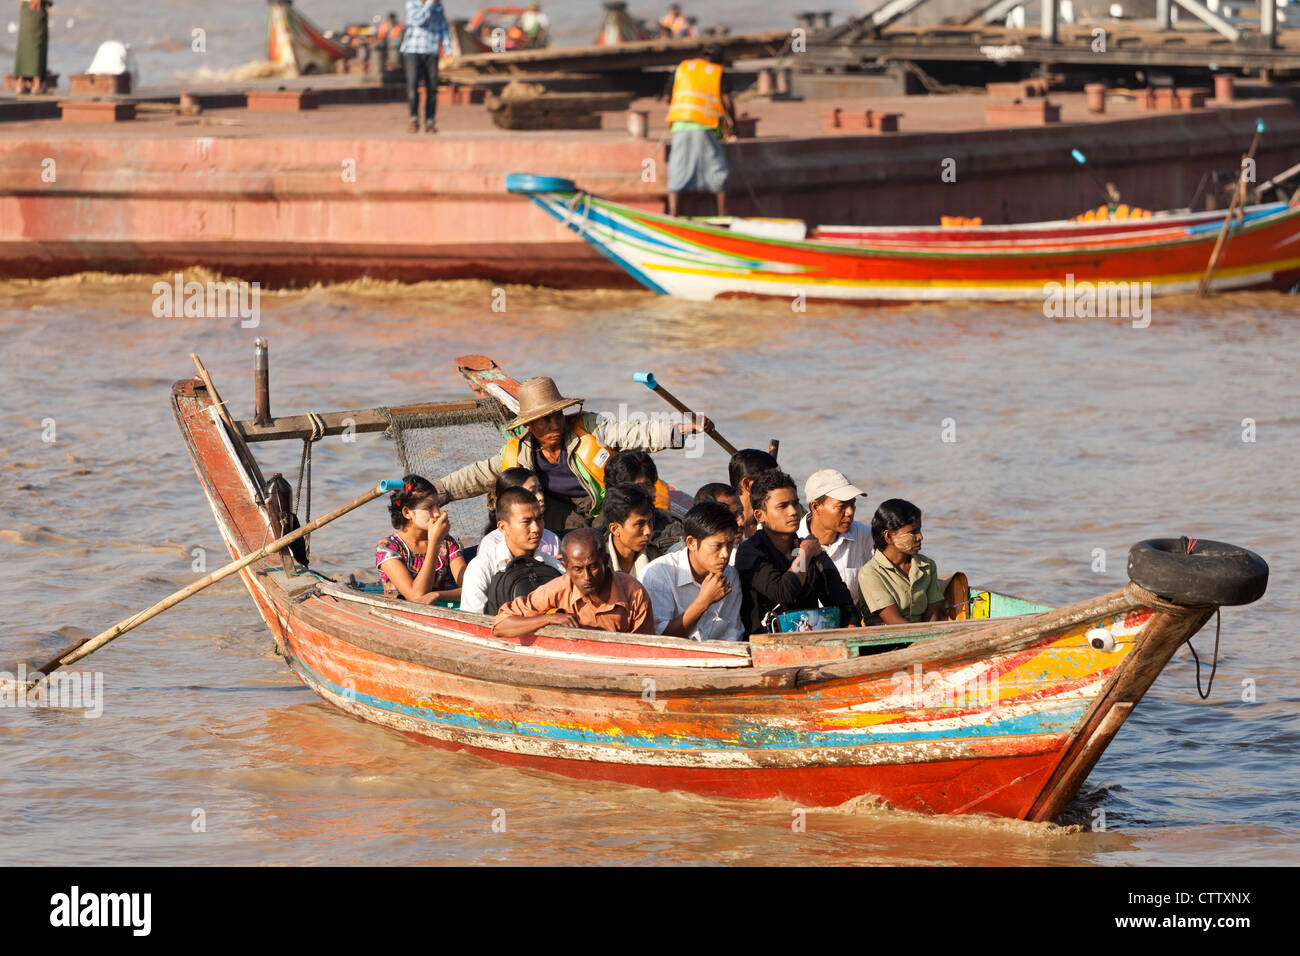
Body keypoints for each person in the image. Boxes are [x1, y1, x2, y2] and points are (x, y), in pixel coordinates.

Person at [434, 376, 709, 536]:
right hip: (559, 512)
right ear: (530, 426)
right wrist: (438, 491)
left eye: (557, 416)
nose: (554, 424)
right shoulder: (518, 452)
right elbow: (478, 475)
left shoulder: (588, 427)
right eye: (544, 420)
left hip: (600, 503)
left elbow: (631, 433)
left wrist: (679, 430)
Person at [734, 470, 859, 636]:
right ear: (760, 515)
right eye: (782, 506)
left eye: (795, 503)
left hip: (811, 644)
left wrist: (851, 635)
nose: (793, 511)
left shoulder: (808, 547)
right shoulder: (750, 552)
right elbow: (783, 592)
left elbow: (844, 605)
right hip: (764, 648)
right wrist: (804, 556)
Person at [493, 528, 655, 637]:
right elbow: (500, 625)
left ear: (605, 562)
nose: (587, 577)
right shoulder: (556, 589)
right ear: (566, 567)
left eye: (593, 567)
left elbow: (646, 647)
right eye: (578, 569)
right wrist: (548, 619)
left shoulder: (634, 593)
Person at [642, 502, 743, 641]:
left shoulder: (730, 575)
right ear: (691, 543)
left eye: (730, 544)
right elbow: (658, 638)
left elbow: (733, 632)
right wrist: (703, 602)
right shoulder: (658, 574)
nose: (725, 554)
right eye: (717, 546)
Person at [460, 486, 563, 614]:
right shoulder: (481, 568)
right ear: (503, 527)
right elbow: (473, 623)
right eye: (526, 522)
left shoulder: (553, 565)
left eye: (539, 519)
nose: (536, 528)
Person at [662, 44, 736, 217]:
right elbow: (727, 102)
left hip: (679, 124)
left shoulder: (683, 68)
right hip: (705, 124)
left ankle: (673, 213)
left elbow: (667, 97)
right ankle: (722, 214)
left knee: (677, 166)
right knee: (716, 167)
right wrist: (734, 125)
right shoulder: (717, 72)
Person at [375, 474, 466, 604]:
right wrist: (434, 543)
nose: (437, 513)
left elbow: (471, 588)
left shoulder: (446, 542)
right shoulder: (388, 548)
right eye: (428, 507)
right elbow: (416, 597)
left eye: (437, 506)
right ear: (407, 513)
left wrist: (437, 595)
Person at [857, 499, 944, 626]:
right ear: (888, 536)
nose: (920, 537)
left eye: (919, 530)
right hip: (885, 640)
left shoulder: (927, 566)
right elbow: (895, 623)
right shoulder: (870, 573)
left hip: (924, 635)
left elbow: (932, 616)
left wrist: (929, 640)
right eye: (913, 532)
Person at [797, 469, 873, 605]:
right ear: (815, 507)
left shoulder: (865, 535)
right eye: (842, 506)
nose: (850, 512)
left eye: (852, 504)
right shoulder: (792, 539)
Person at [602, 448, 683, 553]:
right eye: (636, 488)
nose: (644, 493)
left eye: (648, 485)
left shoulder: (671, 529)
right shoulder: (597, 538)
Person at [477, 467, 562, 562]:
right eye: (532, 492)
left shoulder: (551, 539)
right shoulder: (491, 544)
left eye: (540, 490)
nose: (540, 497)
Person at [400, 0, 450, 134]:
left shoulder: (438, 6)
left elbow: (443, 27)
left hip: (432, 50)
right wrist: (429, 4)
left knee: (432, 89)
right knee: (412, 86)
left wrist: (448, 49)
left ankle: (430, 122)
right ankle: (414, 120)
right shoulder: (412, 3)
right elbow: (417, 21)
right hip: (413, 50)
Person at [601, 483, 658, 581]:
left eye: (650, 522)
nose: (648, 531)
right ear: (615, 529)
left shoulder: (656, 559)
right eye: (640, 524)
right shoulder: (596, 565)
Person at [727, 448, 777, 541]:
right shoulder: (720, 527)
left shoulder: (773, 523)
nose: (777, 485)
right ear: (747, 484)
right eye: (768, 480)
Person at [13, 0, 51, 94]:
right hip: (35, 6)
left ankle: (21, 82)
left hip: (26, 7)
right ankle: (36, 83)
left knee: (25, 43)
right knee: (37, 43)